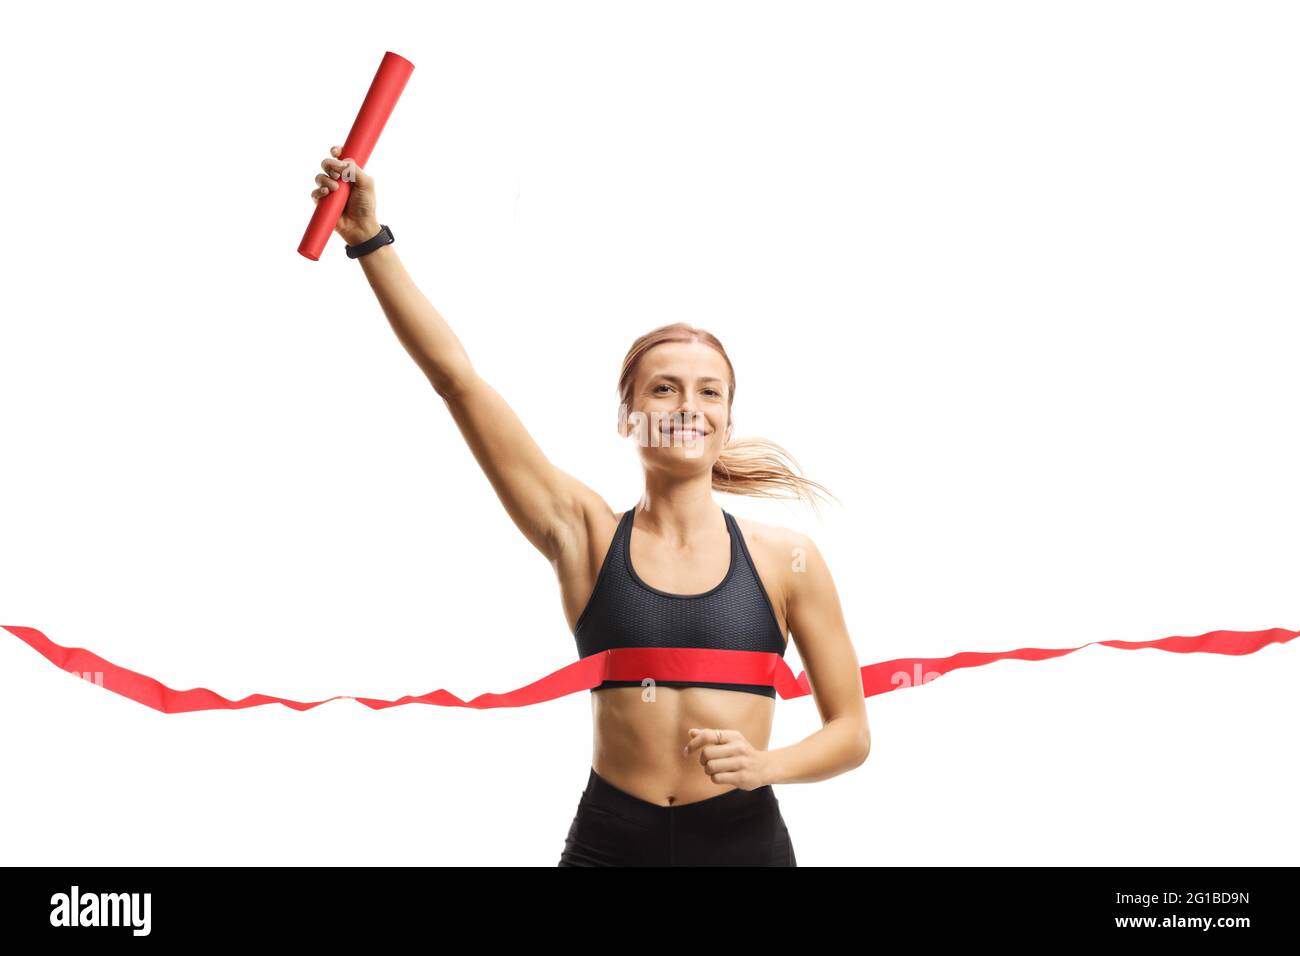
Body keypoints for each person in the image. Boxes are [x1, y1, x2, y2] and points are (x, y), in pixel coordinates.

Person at [310, 148, 871, 866]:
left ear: (727, 421)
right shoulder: (583, 534)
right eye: (663, 388)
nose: (687, 406)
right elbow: (458, 382)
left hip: (742, 843)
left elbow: (850, 731)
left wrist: (768, 765)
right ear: (627, 416)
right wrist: (368, 240)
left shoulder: (786, 561)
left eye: (709, 392)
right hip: (613, 840)